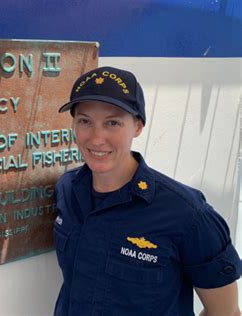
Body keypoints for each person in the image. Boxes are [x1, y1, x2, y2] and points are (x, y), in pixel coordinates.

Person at [53, 66, 240, 316]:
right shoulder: (67, 190)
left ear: (138, 126)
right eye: (85, 121)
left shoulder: (187, 214)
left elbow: (225, 312)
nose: (97, 138)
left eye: (113, 122)